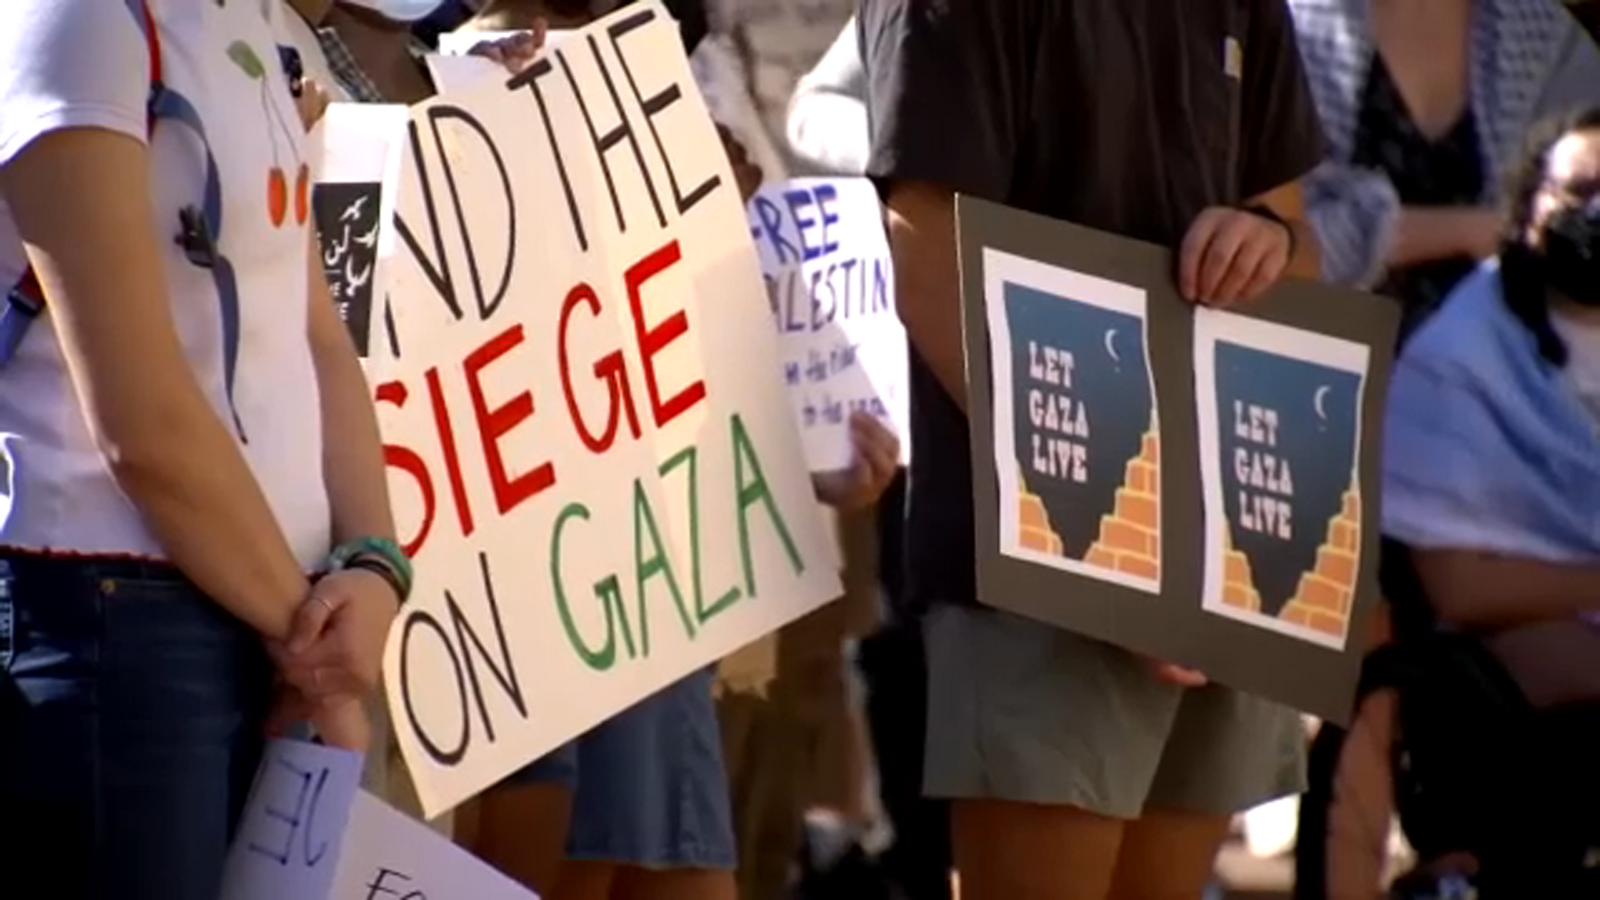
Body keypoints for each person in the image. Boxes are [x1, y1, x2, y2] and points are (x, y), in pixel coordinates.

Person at [859, 0, 1327, 897]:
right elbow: (927, 254)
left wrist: (1266, 240)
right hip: (1042, 560)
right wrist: (1123, 553)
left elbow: (1294, 237)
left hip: (1218, 555)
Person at [0, 0, 402, 897]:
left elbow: (318, 341)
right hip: (120, 627)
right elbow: (141, 424)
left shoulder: (259, 30)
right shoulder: (77, 21)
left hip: (264, 614)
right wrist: (315, 650)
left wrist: (375, 565)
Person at [1369, 104, 1600, 894]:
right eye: (1580, 189)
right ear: (1531, 201)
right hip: (1492, 658)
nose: (1596, 214)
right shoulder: (1461, 353)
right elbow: (1460, 589)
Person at [1290, 0, 1600, 343]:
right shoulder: (1290, 21)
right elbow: (1280, 244)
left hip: (1491, 371)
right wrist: (1467, 230)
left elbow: (1571, 240)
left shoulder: (1546, 32)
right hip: (1313, 358)